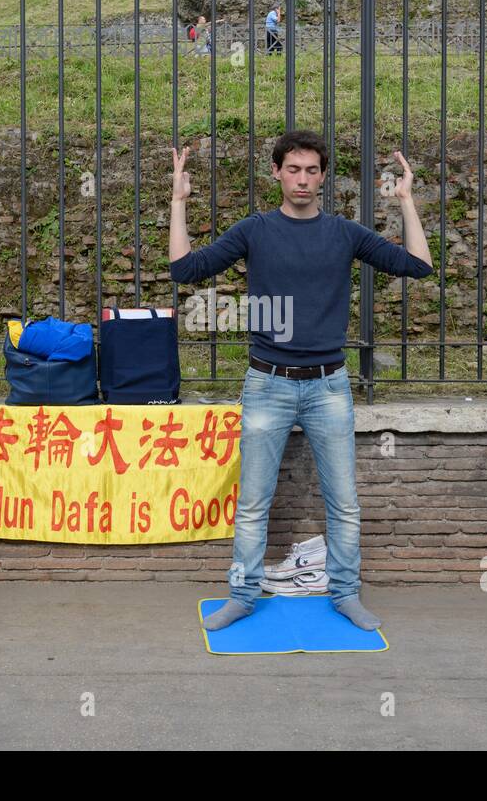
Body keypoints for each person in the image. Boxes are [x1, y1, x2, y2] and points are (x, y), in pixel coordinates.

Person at [170, 130, 433, 631]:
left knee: (344, 502)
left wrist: (406, 200)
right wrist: (178, 202)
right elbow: (186, 269)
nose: (303, 179)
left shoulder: (344, 233)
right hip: (267, 383)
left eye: (312, 170)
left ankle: (345, 593)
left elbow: (417, 265)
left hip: (329, 385)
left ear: (323, 176)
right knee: (252, 504)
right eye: (294, 169)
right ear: (276, 173)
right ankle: (243, 595)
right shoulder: (255, 230)